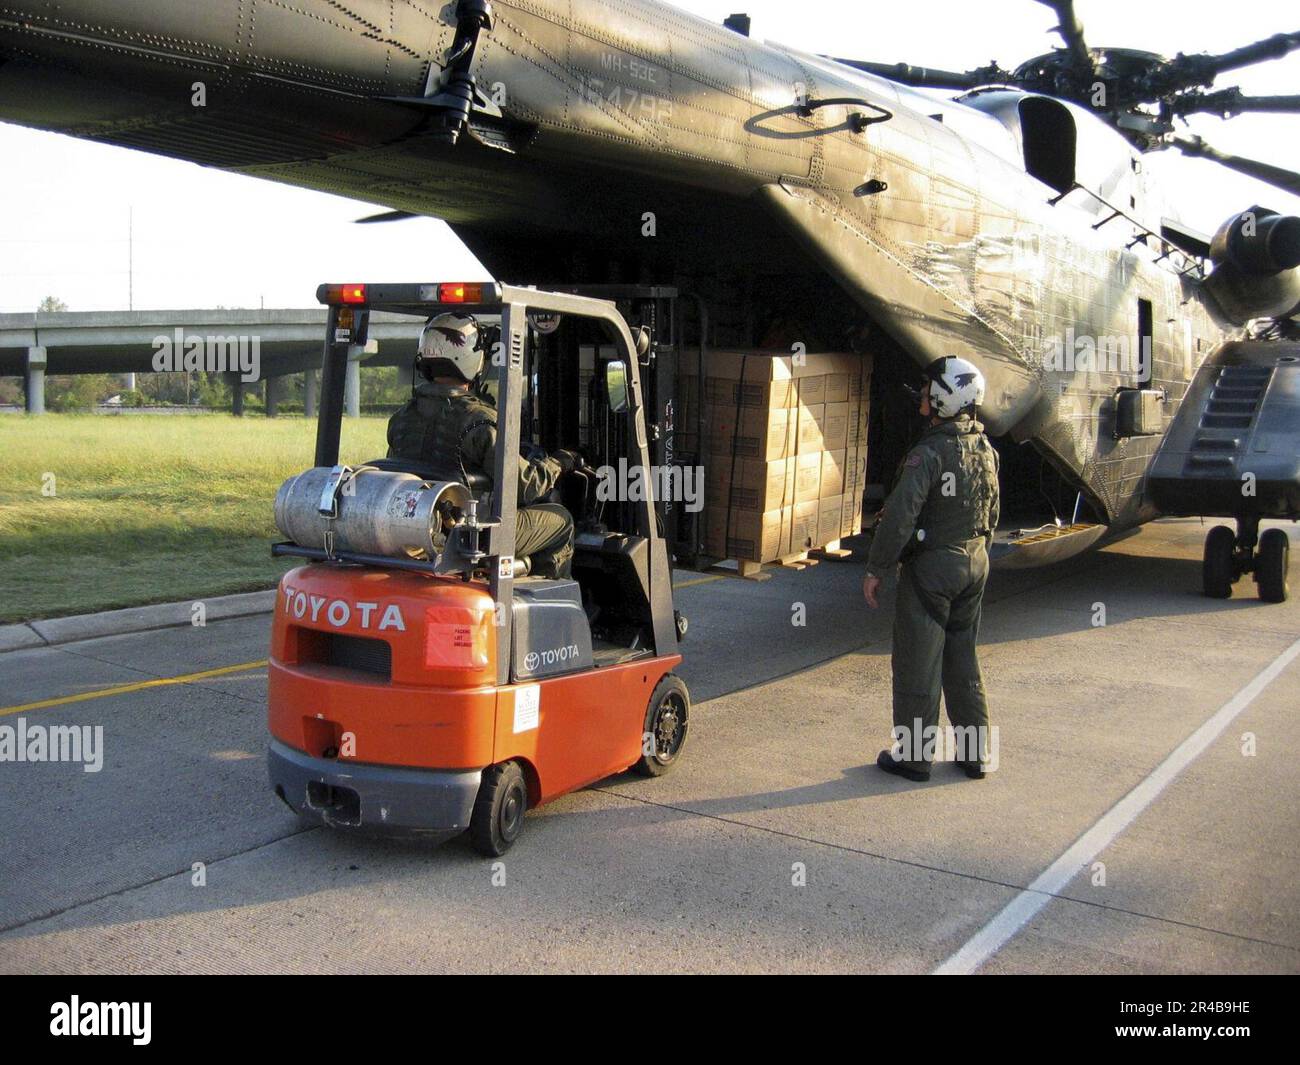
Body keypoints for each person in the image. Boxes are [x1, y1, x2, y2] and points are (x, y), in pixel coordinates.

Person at [862, 355, 1000, 782]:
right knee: (963, 660)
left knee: (918, 665)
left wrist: (877, 567)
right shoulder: (985, 448)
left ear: (943, 399)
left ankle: (914, 758)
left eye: (927, 391)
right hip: (976, 562)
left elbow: (901, 515)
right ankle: (975, 755)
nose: (921, 397)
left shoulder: (928, 454)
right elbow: (991, 510)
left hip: (932, 572)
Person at [386, 313, 579, 578]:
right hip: (472, 533)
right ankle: (549, 603)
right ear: (472, 359)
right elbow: (526, 486)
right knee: (560, 520)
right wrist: (559, 462)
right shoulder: (478, 422)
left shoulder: (401, 419)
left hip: (420, 528)